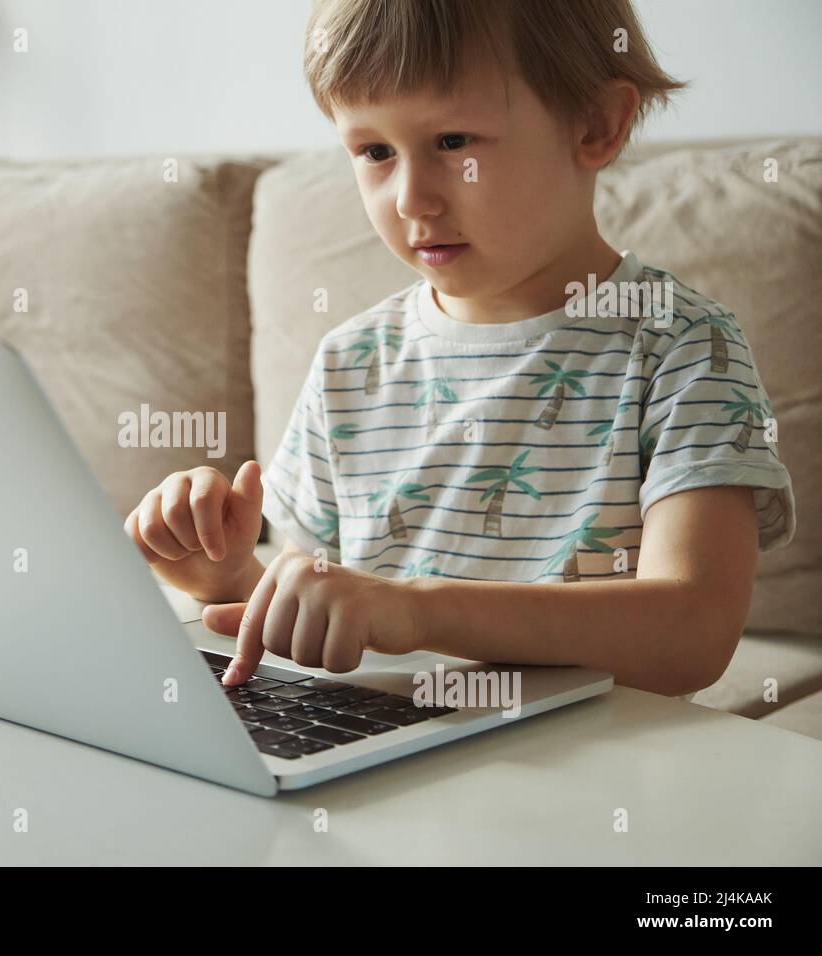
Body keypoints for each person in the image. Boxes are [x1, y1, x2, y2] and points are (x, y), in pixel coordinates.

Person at [124, 0, 795, 697]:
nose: (412, 199)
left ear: (596, 125)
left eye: (453, 142)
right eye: (375, 151)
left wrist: (417, 611)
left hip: (599, 764)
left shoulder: (685, 348)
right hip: (386, 755)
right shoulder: (350, 363)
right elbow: (329, 610)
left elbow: (691, 635)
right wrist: (228, 578)